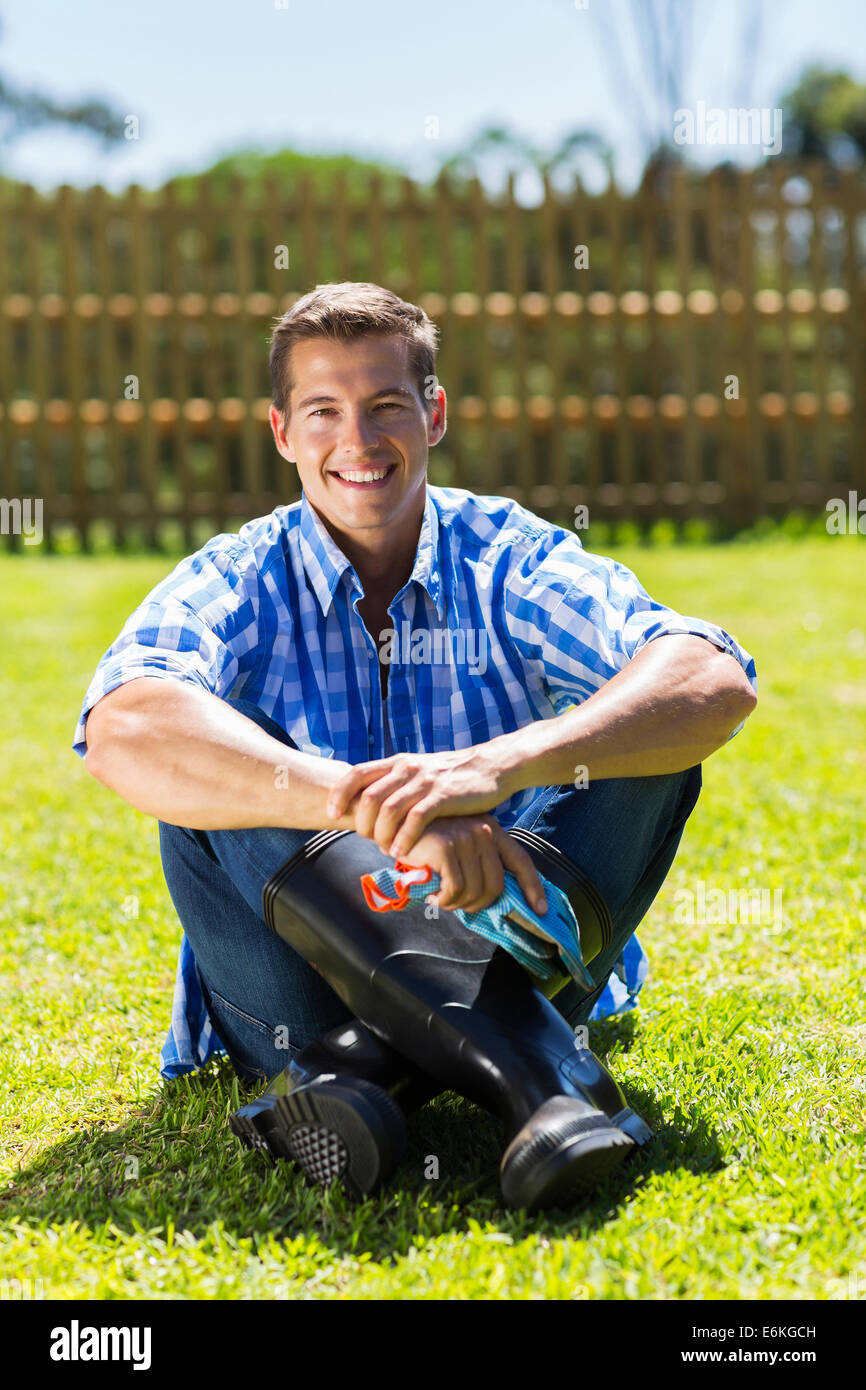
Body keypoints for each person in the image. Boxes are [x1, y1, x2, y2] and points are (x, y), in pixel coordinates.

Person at [75, 281, 757, 1210]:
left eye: (386, 406)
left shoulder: (507, 554)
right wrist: (392, 812)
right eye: (324, 412)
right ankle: (541, 1077)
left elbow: (711, 675)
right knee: (232, 756)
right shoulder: (234, 576)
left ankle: (359, 1074)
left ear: (432, 414)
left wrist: (493, 770)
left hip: (515, 928)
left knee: (647, 733)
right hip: (298, 991)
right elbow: (123, 724)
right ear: (283, 431)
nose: (357, 443)